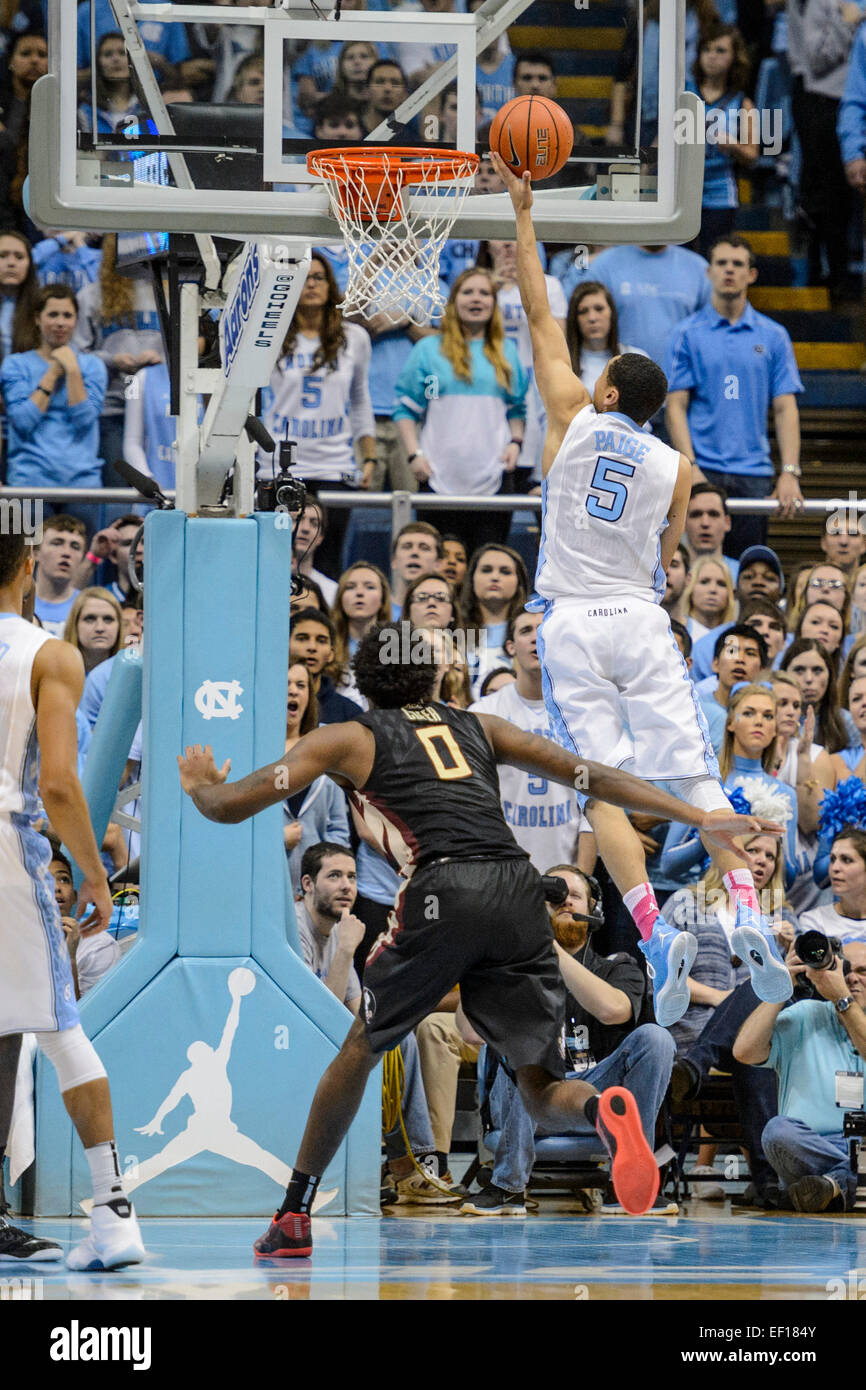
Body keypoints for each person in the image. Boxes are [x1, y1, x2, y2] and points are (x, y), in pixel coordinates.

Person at [177, 621, 770, 1254]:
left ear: (364, 686)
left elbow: (233, 805)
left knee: (360, 1049)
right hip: (519, 887)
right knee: (537, 1086)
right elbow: (590, 776)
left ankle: (294, 1215)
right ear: (433, 678)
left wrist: (201, 786)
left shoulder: (348, 736)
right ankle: (600, 1110)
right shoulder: (480, 725)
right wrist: (698, 814)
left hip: (443, 887)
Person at [490, 147, 792, 1028]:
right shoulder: (676, 466)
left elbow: (540, 311)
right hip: (641, 618)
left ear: (608, 387)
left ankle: (656, 932)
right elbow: (669, 557)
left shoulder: (572, 415)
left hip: (573, 622)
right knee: (695, 778)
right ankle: (747, 913)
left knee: (606, 786)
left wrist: (523, 214)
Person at [0, 529, 145, 1269]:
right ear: (28, 568)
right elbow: (58, 783)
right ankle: (114, 1214)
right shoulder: (48, 654)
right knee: (60, 1028)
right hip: (6, 850)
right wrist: (91, 871)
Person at [461, 865, 675, 1216]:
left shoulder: (617, 965)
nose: (564, 902)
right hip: (524, 1096)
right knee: (519, 1040)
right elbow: (470, 1032)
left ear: (594, 910)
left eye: (573, 896)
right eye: (553, 897)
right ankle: (507, 1186)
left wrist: (549, 949)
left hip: (594, 1096)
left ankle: (628, 1184)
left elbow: (614, 1011)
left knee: (657, 1038)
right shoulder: (511, 967)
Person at [294, 840, 449, 1204]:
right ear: (308, 884)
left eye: (351, 877)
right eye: (334, 876)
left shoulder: (338, 930)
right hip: (292, 1045)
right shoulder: (296, 928)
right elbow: (319, 1018)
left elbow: (358, 1011)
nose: (346, 886)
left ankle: (408, 1167)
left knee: (398, 1039)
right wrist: (348, 950)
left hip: (323, 1041)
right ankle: (400, 1167)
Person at [665, 236, 804, 553]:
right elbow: (675, 406)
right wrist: (690, 466)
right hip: (702, 469)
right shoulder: (685, 333)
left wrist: (790, 472)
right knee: (696, 568)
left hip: (754, 473)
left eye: (738, 264)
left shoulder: (774, 335)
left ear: (751, 274)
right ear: (709, 272)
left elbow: (785, 408)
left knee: (748, 568)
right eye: (722, 263)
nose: (729, 270)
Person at [393, 268, 528, 552]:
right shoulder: (428, 350)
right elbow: (406, 410)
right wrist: (414, 455)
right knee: (439, 567)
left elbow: (516, 409)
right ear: (453, 302)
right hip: (436, 477)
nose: (476, 299)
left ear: (493, 303)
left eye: (484, 293)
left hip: (494, 478)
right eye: (468, 292)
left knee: (486, 562)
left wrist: (516, 443)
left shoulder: (507, 352)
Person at [733, 937, 866, 1211]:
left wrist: (843, 1000)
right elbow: (744, 1051)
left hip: (863, 1144)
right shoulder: (806, 1013)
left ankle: (830, 1187)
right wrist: (781, 989)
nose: (852, 978)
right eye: (845, 969)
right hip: (807, 1146)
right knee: (777, 1131)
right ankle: (845, 1184)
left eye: (863, 971)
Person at [470, 610, 593, 872]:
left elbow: (593, 809)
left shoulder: (582, 713)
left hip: (565, 868)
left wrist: (582, 879)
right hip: (500, 870)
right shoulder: (483, 712)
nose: (536, 638)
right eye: (526, 631)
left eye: (544, 629)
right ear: (510, 647)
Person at [0, 284, 107, 531]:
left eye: (67, 315)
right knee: (19, 556)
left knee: (81, 555)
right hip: (27, 484)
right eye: (53, 315)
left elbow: (84, 419)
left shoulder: (93, 366)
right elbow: (23, 421)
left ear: (76, 320)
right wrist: (53, 373)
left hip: (82, 484)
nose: (60, 323)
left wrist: (72, 370)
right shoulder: (15, 364)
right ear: (37, 319)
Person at [689, 23, 758, 257]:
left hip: (720, 193)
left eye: (720, 50)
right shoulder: (684, 94)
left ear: (734, 57)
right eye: (706, 49)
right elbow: (661, 141)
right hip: (683, 192)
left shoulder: (742, 103)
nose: (712, 56)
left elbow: (752, 155)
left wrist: (734, 145)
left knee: (713, 258)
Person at [283, 664, 350, 893]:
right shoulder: (257, 750)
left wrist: (323, 871)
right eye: (285, 684)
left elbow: (338, 829)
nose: (293, 691)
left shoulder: (325, 746)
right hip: (268, 886)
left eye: (301, 685)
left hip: (315, 893)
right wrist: (277, 840)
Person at [459, 542, 528, 696]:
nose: (495, 577)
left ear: (519, 582)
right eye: (486, 570)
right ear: (472, 579)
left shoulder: (534, 632)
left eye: (505, 572)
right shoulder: (453, 631)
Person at [696, 623, 768, 750]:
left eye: (750, 653)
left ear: (761, 670)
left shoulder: (765, 718)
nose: (740, 659)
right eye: (731, 651)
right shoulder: (695, 708)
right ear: (715, 664)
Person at [328, 562, 391, 706]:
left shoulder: (396, 649)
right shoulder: (326, 646)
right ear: (340, 597)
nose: (359, 593)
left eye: (370, 587)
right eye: (350, 587)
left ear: (383, 599)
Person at [289, 608, 364, 725]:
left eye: (321, 640)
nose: (312, 647)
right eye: (302, 638)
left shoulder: (350, 714)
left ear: (331, 654)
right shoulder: (267, 703)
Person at [780, 636, 854, 754]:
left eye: (817, 670)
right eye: (799, 670)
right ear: (784, 675)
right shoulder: (770, 718)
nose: (809, 679)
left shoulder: (847, 722)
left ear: (829, 675)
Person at [31, 515, 86, 637]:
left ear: (82, 557)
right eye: (57, 543)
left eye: (75, 547)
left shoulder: (88, 606)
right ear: (35, 553)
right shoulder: (16, 604)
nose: (66, 553)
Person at [681, 482, 738, 584]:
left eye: (713, 514)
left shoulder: (742, 574)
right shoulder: (669, 573)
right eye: (696, 515)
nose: (705, 523)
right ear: (683, 523)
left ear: (727, 522)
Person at [62, 586, 123, 675]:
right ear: (75, 624)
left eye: (108, 619)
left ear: (120, 626)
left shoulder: (131, 675)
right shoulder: (57, 672)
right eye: (90, 619)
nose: (100, 628)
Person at [389, 522, 443, 620]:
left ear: (438, 563)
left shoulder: (448, 615)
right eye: (407, 547)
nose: (414, 553)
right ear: (394, 560)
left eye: (424, 548)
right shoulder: (378, 612)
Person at [682, 555, 737, 645]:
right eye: (704, 582)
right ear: (690, 588)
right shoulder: (674, 632)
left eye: (721, 584)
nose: (713, 589)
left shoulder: (736, 637)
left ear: (730, 593)